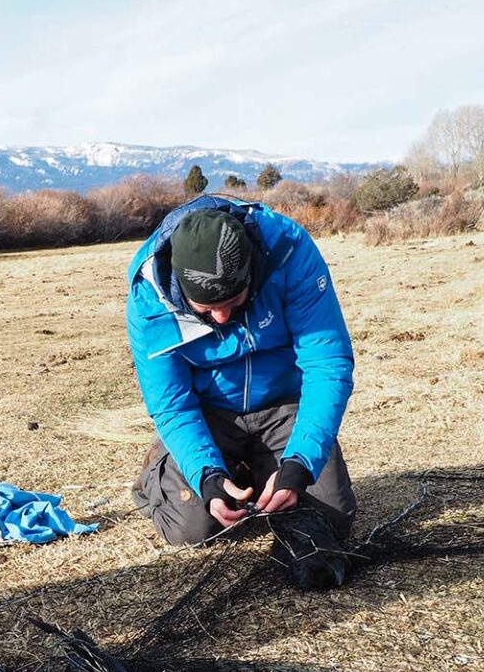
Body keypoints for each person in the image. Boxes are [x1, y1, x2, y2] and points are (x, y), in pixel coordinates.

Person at [125, 195, 356, 557]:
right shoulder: (148, 298)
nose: (220, 319)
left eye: (233, 303)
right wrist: (206, 475)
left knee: (332, 518)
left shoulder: (289, 252)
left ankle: (265, 469)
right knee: (189, 527)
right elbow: (172, 403)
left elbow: (327, 363)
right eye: (205, 310)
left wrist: (300, 462)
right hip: (209, 413)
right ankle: (165, 469)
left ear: (252, 271)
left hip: (283, 405)